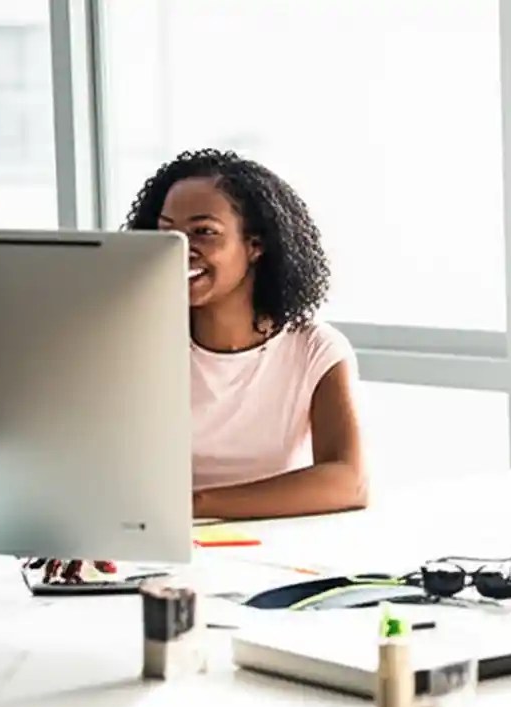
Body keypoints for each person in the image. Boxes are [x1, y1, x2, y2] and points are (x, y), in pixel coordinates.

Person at [31, 149, 368, 584]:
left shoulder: (315, 349)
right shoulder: (137, 340)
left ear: (255, 245)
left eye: (204, 232)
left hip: (274, 557)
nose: (180, 249)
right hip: (153, 560)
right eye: (167, 231)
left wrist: (194, 503)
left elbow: (348, 482)